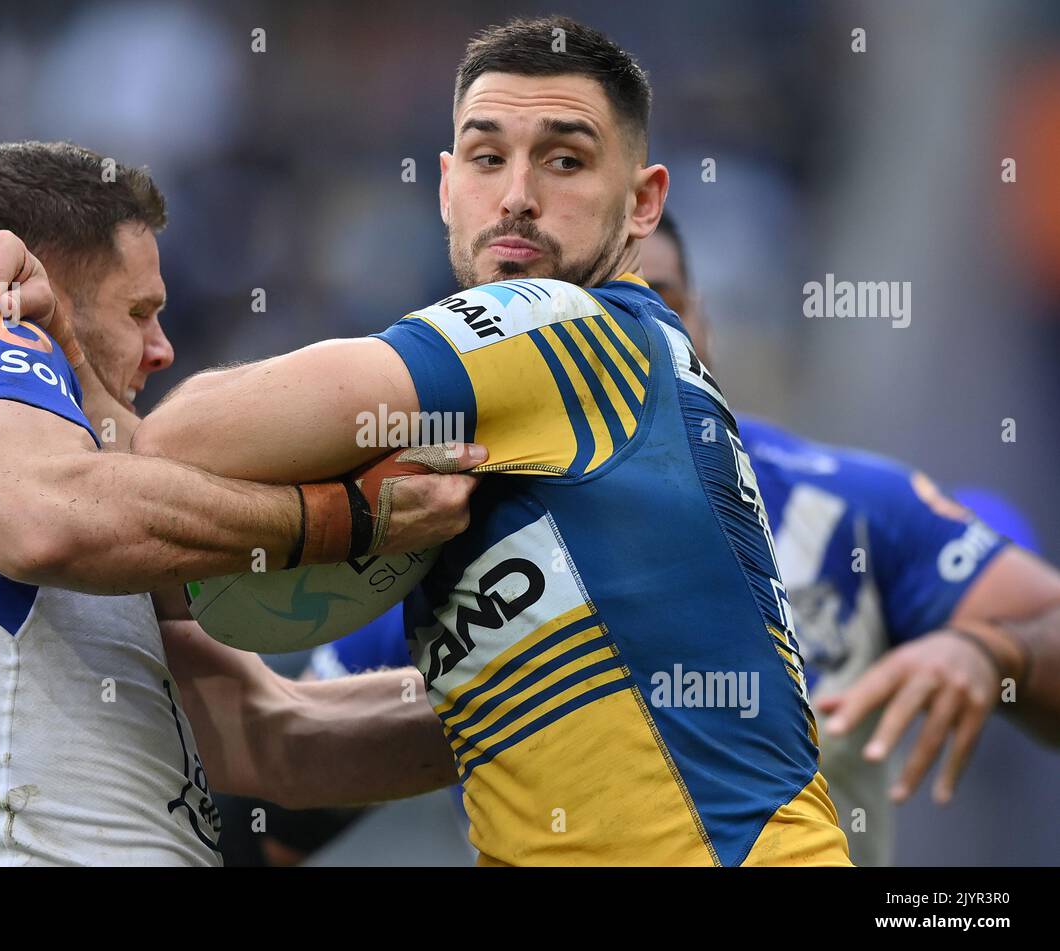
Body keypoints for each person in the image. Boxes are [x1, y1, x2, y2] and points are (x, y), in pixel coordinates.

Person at [0, 16, 851, 865]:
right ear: (445, 186)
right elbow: (276, 749)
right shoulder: (533, 467)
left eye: (565, 159)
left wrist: (29, 345)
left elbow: (176, 442)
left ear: (643, 205)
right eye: (486, 158)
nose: (516, 194)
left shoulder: (569, 323)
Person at [0, 141, 483, 867]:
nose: (162, 349)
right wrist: (339, 521)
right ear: (38, 292)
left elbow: (279, 739)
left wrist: (536, 699)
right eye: (140, 311)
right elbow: (44, 519)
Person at [296, 211, 1060, 867]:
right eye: (575, 320)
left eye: (650, 303)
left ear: (700, 326)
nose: (622, 340)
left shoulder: (853, 509)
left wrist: (996, 652)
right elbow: (278, 791)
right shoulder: (440, 540)